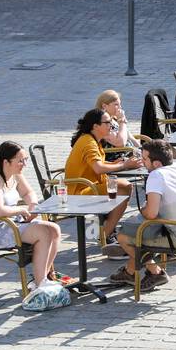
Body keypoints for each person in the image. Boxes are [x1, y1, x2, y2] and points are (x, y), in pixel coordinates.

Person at [0, 142, 65, 301]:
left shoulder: (15, 174)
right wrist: (21, 210)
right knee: (42, 232)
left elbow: (28, 192)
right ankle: (41, 282)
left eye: (25, 160)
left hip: (10, 223)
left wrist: (33, 205)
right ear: (6, 162)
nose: (24, 164)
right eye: (20, 161)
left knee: (54, 229)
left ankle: (40, 280)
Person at [110, 140, 176, 293]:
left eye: (145, 159)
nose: (142, 162)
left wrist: (143, 210)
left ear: (157, 163)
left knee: (124, 236)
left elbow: (151, 214)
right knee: (144, 230)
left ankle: (155, 272)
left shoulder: (156, 175)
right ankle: (129, 271)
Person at [64, 108, 142, 253]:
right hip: (81, 191)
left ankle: (106, 228)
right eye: (107, 123)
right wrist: (124, 165)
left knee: (121, 187)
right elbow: (98, 168)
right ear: (95, 126)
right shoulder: (88, 142)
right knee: (124, 187)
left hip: (91, 186)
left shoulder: (92, 139)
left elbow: (99, 165)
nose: (111, 126)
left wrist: (116, 163)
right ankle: (105, 234)